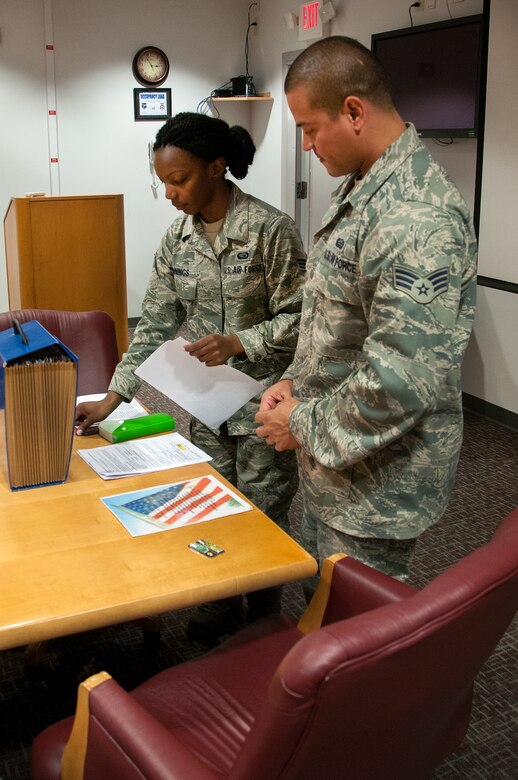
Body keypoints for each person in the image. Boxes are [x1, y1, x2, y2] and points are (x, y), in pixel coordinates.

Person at [255, 36, 478, 594]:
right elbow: (343, 318)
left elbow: (401, 381)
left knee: (358, 641)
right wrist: (295, 382)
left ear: (353, 111)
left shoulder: (412, 216)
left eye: (309, 128)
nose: (306, 146)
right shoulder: (366, 184)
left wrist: (299, 421)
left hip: (377, 479)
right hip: (338, 458)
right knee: (321, 609)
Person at [76, 111, 306, 638]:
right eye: (163, 183)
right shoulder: (177, 240)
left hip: (267, 406)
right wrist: (113, 399)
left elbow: (302, 317)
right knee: (213, 504)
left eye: (178, 180)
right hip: (208, 404)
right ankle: (219, 602)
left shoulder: (270, 230)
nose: (171, 194)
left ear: (216, 168)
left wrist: (241, 341)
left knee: (264, 513)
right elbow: (155, 323)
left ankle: (264, 617)